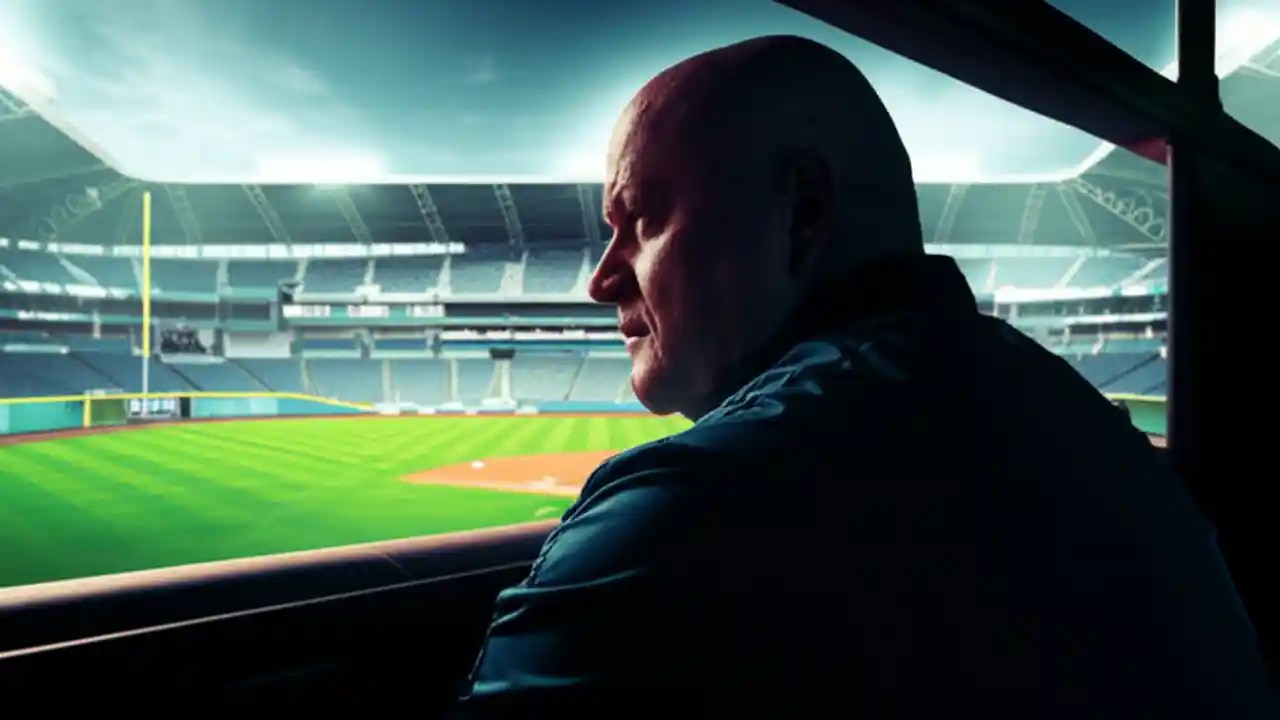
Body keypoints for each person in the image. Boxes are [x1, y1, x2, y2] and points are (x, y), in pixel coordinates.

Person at [450, 35, 1274, 718]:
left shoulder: (695, 506)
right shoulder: (1078, 422)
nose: (601, 280)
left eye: (642, 218)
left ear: (803, 212)